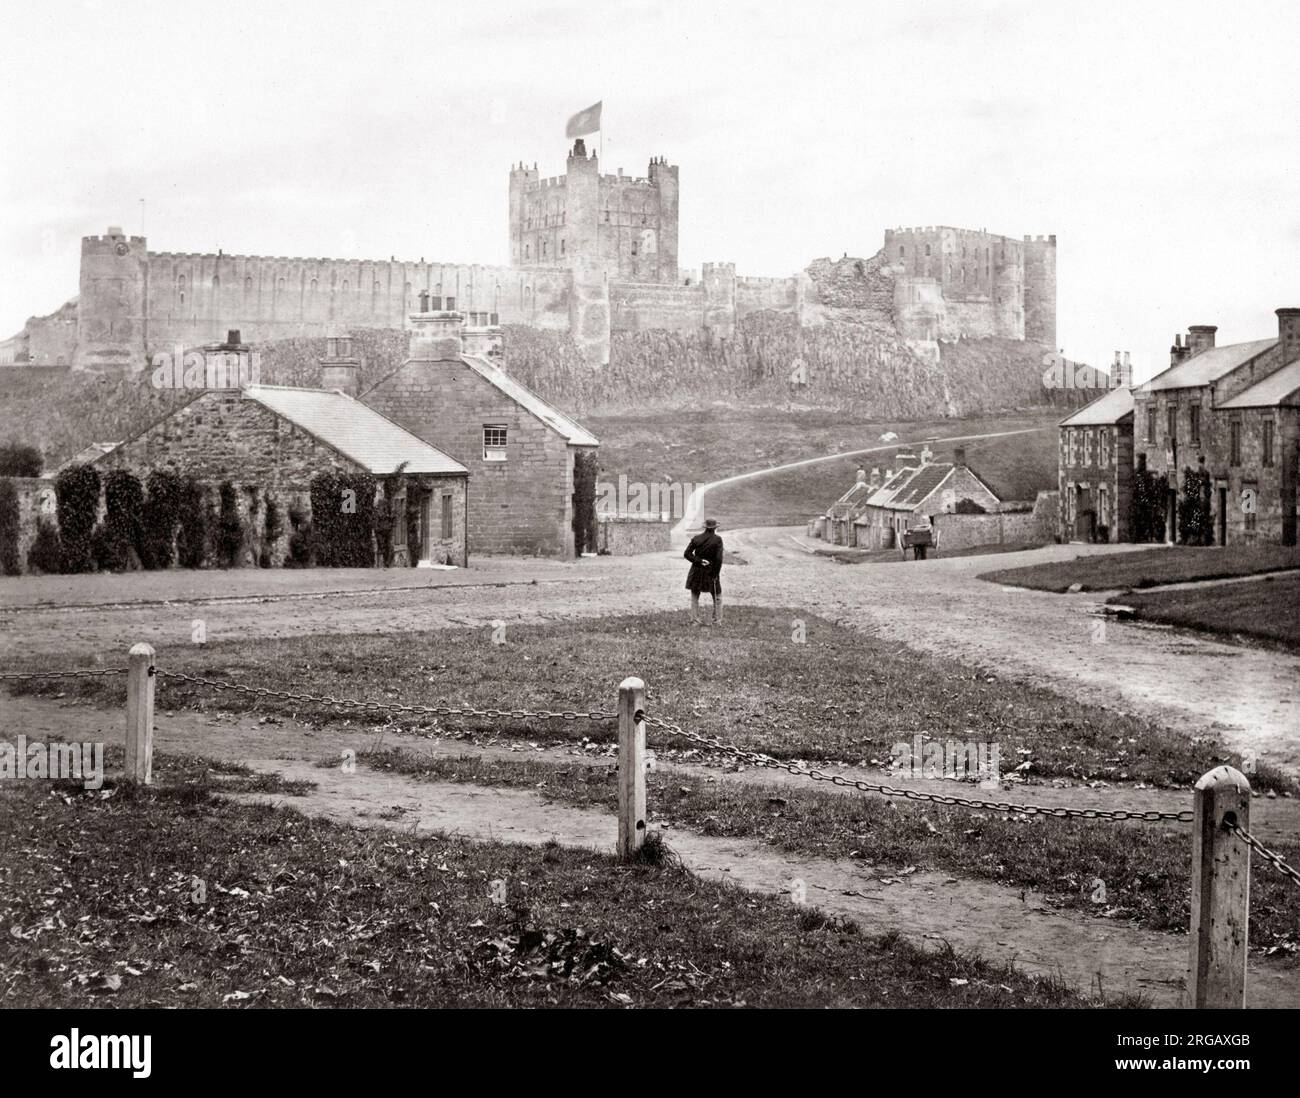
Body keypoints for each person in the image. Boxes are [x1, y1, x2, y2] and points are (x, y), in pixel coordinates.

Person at [684, 518, 724, 625]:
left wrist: (699, 561)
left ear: (705, 527)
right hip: (711, 571)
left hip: (697, 570)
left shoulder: (697, 538)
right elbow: (719, 559)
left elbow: (687, 554)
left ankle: (695, 620)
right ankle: (717, 621)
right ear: (715, 528)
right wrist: (715, 574)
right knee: (717, 596)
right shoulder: (718, 540)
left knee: (695, 596)